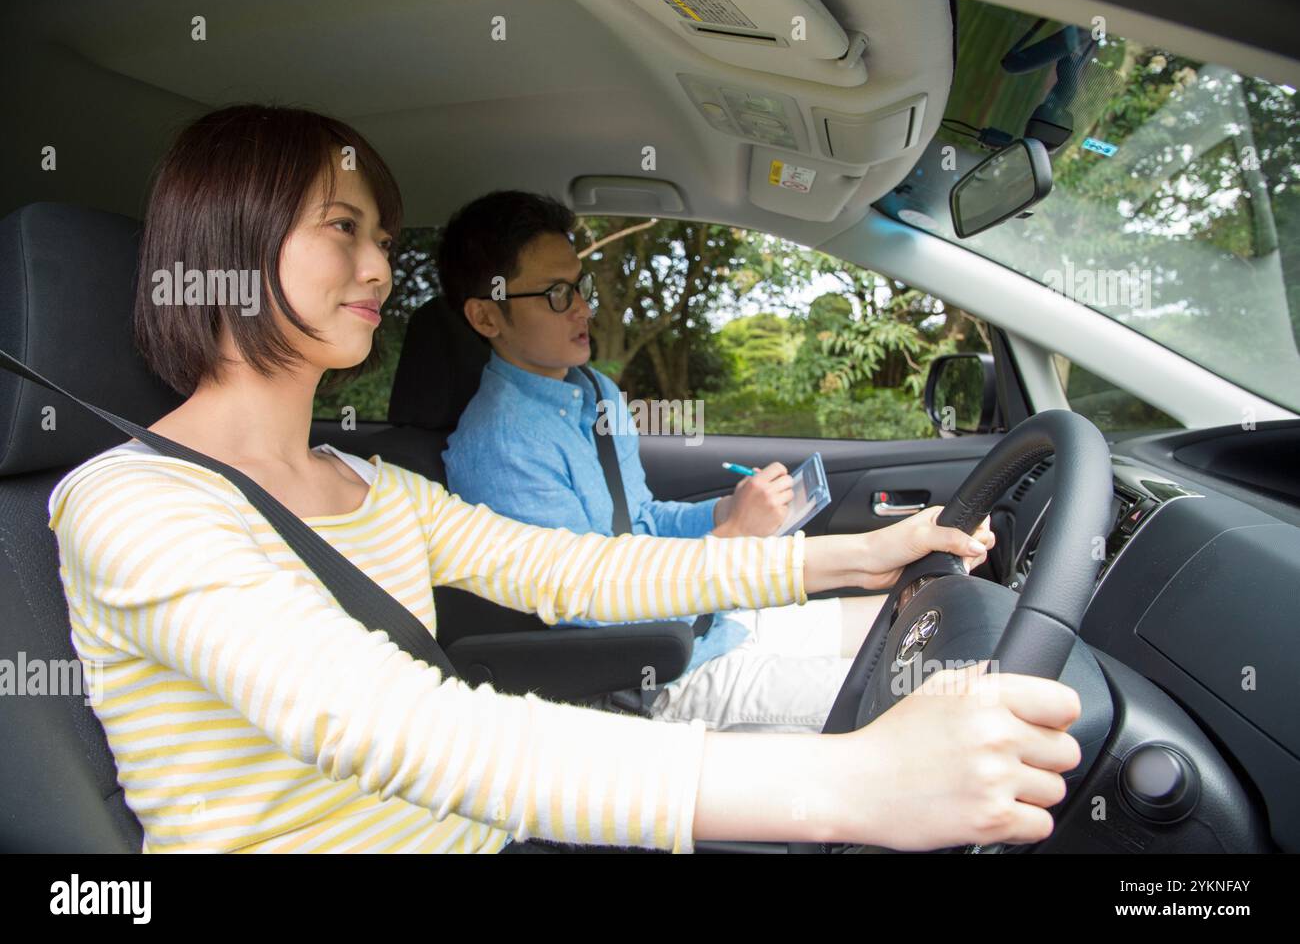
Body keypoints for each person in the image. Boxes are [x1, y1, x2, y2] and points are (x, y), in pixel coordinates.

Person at [47, 104, 1081, 854]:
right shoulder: (131, 502)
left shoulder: (368, 483)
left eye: (378, 232)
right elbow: (392, 724)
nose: (377, 266)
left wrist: (862, 555)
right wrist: (848, 784)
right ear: (230, 242)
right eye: (342, 227)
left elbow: (581, 570)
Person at [440, 190, 995, 732]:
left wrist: (726, 512)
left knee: (919, 628)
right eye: (558, 294)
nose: (585, 306)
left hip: (710, 620)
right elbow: (590, 605)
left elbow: (643, 521)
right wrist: (731, 541)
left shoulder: (594, 391)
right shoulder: (498, 446)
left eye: (580, 285)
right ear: (487, 317)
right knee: (934, 694)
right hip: (652, 670)